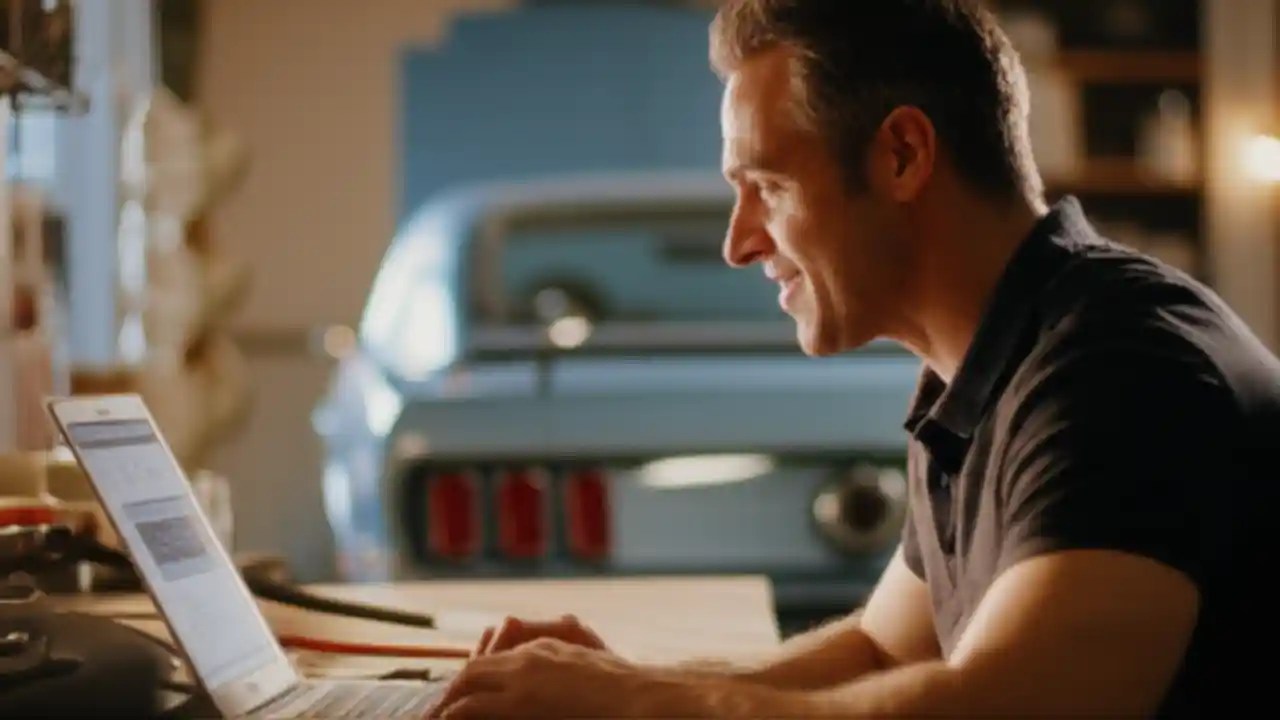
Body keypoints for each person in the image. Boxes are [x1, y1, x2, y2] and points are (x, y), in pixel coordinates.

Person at [427, 1, 1280, 717]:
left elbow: (1004, 706)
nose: (737, 241)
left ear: (903, 155)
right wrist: (622, 679)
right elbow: (880, 651)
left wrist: (636, 705)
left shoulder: (1119, 370)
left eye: (768, 186)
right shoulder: (987, 365)